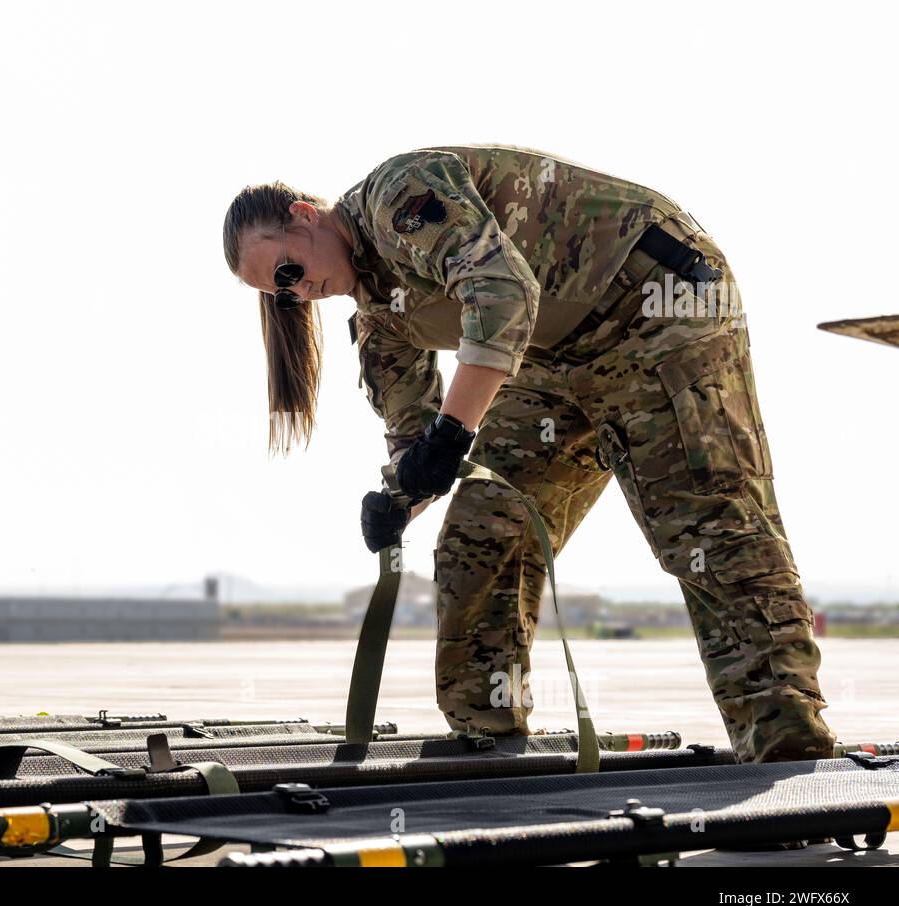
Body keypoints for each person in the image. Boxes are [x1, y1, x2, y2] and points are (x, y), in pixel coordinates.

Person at [222, 145, 834, 763]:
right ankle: (489, 736)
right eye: (283, 293)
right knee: (482, 532)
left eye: (287, 271)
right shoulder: (379, 320)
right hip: (552, 359)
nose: (298, 292)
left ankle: (787, 745)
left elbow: (502, 292)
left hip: (655, 299)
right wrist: (397, 500)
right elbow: (417, 440)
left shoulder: (398, 198)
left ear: (304, 216)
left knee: (705, 527)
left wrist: (451, 436)